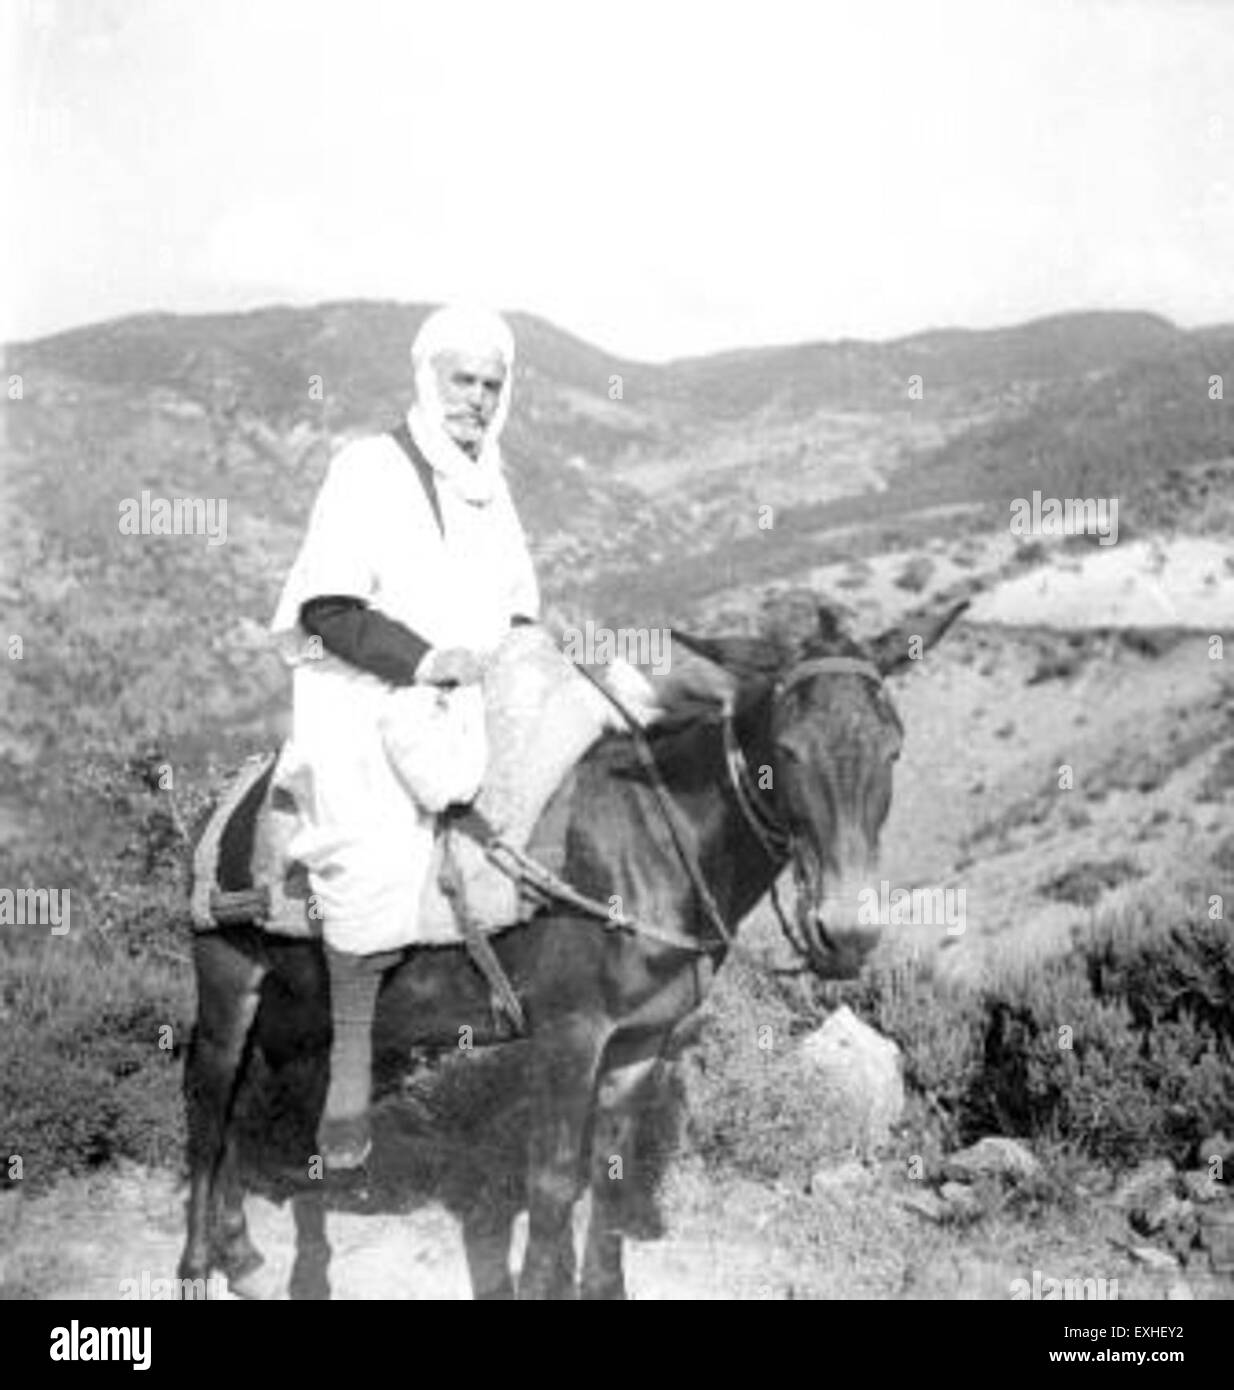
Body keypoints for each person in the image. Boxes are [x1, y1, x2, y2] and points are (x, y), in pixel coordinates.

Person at [270, 304, 539, 1169]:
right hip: (366, 693)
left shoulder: (492, 486)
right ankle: (350, 1066)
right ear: (430, 380)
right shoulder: (368, 468)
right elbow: (329, 610)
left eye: (492, 385)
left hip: (472, 697)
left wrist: (516, 665)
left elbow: (520, 606)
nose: (479, 398)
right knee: (373, 848)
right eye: (464, 380)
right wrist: (427, 662)